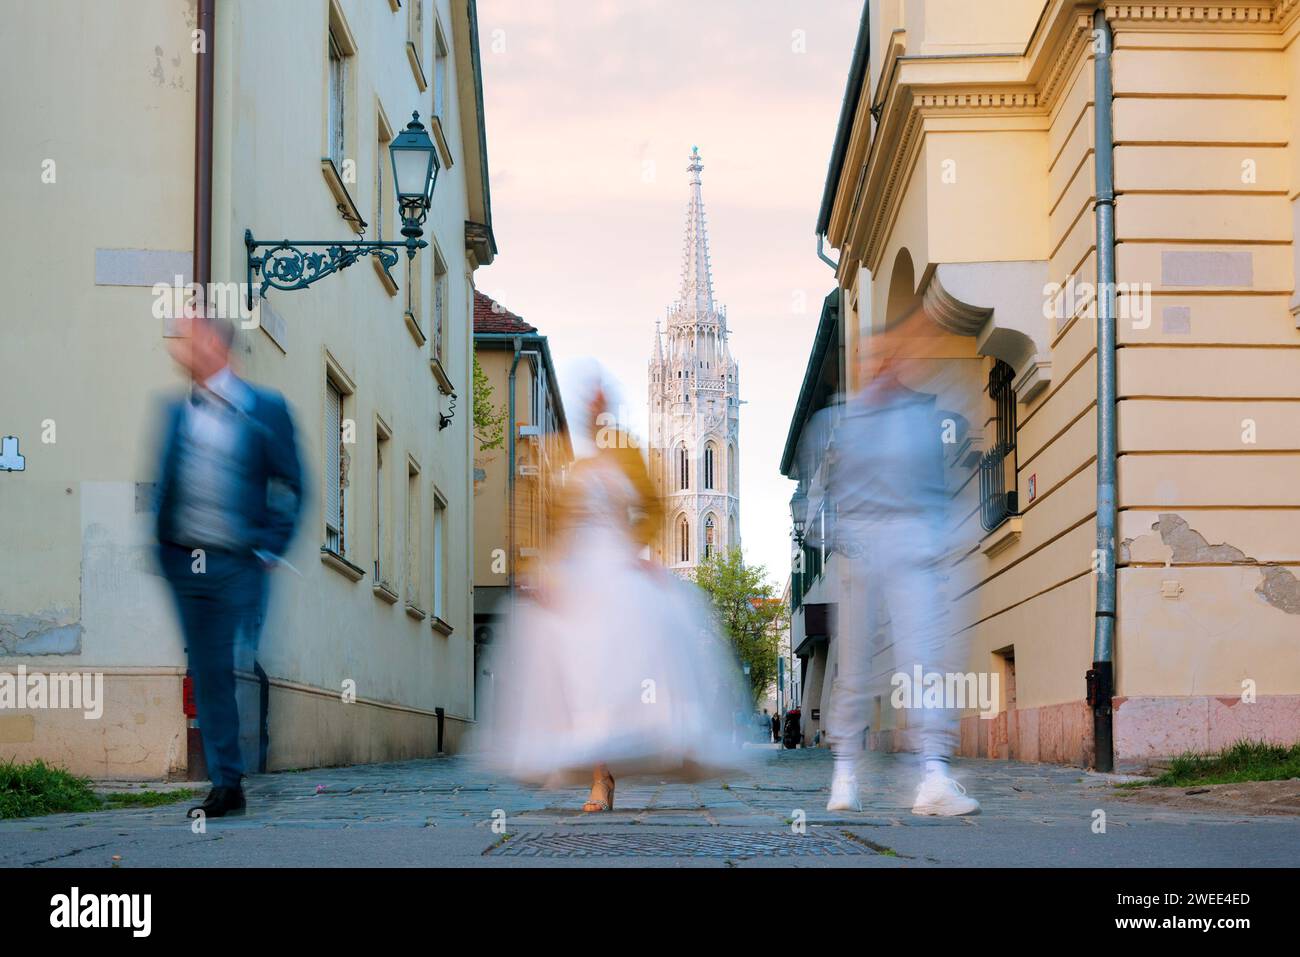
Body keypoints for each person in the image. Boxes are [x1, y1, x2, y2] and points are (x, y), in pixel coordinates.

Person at [478, 371, 748, 811]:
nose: (593, 412)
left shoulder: (630, 456)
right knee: (580, 671)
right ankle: (598, 776)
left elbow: (657, 505)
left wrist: (639, 550)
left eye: (600, 404)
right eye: (588, 405)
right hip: (579, 572)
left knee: (621, 669)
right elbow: (535, 515)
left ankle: (631, 752)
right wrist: (536, 569)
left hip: (619, 565)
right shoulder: (568, 461)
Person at [821, 309, 979, 817]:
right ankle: (844, 775)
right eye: (875, 356)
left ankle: (933, 775)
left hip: (913, 550)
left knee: (924, 665)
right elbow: (823, 500)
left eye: (891, 356)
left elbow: (937, 486)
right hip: (868, 553)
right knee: (857, 670)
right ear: (867, 364)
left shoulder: (919, 417)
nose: (885, 363)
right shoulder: (843, 422)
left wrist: (937, 539)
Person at [153, 313, 303, 819]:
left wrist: (268, 548)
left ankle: (232, 770)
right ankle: (227, 784)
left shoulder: (266, 409)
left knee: (230, 656)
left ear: (217, 346)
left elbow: (291, 484)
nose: (181, 350)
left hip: (237, 560)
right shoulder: (175, 412)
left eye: (191, 341)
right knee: (211, 667)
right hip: (184, 558)